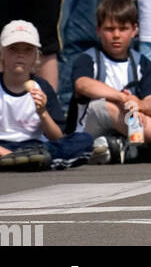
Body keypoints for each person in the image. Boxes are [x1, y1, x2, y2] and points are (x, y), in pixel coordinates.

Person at [70, 0, 151, 163]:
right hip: (90, 126)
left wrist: (140, 105)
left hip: (130, 123)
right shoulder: (88, 59)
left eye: (123, 29)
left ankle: (123, 147)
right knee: (106, 106)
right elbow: (82, 84)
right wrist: (123, 98)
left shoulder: (144, 64)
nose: (116, 35)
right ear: (98, 30)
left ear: (134, 30)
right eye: (110, 29)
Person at [0, 20, 93, 170]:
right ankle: (23, 162)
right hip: (2, 145)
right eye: (13, 49)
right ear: (2, 53)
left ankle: (32, 160)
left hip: (36, 147)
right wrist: (6, 154)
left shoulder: (42, 87)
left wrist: (43, 113)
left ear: (36, 55)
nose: (20, 55)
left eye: (27, 50)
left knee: (83, 140)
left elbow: (57, 136)